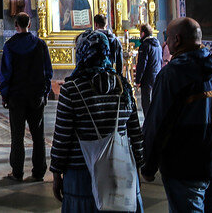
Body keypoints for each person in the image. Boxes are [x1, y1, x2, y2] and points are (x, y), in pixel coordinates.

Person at [141, 17, 212, 212]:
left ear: (177, 40)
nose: (165, 43)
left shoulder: (172, 75)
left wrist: (148, 166)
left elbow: (158, 125)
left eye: (166, 37)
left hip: (185, 168)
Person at [50, 31, 144, 211]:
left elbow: (62, 138)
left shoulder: (72, 90)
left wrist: (56, 172)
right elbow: (135, 133)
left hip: (81, 174)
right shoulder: (123, 86)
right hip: (120, 169)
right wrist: (138, 165)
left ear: (82, 53)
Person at [0, 12, 52, 182]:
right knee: (38, 136)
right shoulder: (40, 45)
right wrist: (45, 92)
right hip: (36, 96)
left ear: (16, 25)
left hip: (16, 96)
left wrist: (4, 94)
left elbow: (6, 74)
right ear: (29, 25)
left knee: (17, 135)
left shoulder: (9, 46)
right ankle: (39, 172)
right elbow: (47, 72)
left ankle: (17, 171)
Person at [134, 24, 162, 114]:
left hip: (147, 78)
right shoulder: (158, 44)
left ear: (143, 33)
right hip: (156, 75)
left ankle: (148, 124)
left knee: (146, 102)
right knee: (155, 101)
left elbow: (142, 64)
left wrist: (138, 80)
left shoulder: (145, 45)